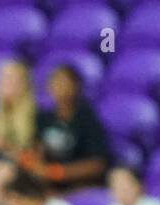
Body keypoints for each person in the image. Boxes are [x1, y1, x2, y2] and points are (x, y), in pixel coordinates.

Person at [26, 64, 111, 192]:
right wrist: (37, 166)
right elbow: (35, 150)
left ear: (77, 86)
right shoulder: (42, 118)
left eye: (66, 83)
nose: (61, 88)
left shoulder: (87, 119)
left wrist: (58, 173)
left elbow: (97, 164)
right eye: (56, 83)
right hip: (47, 185)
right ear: (49, 87)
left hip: (80, 185)